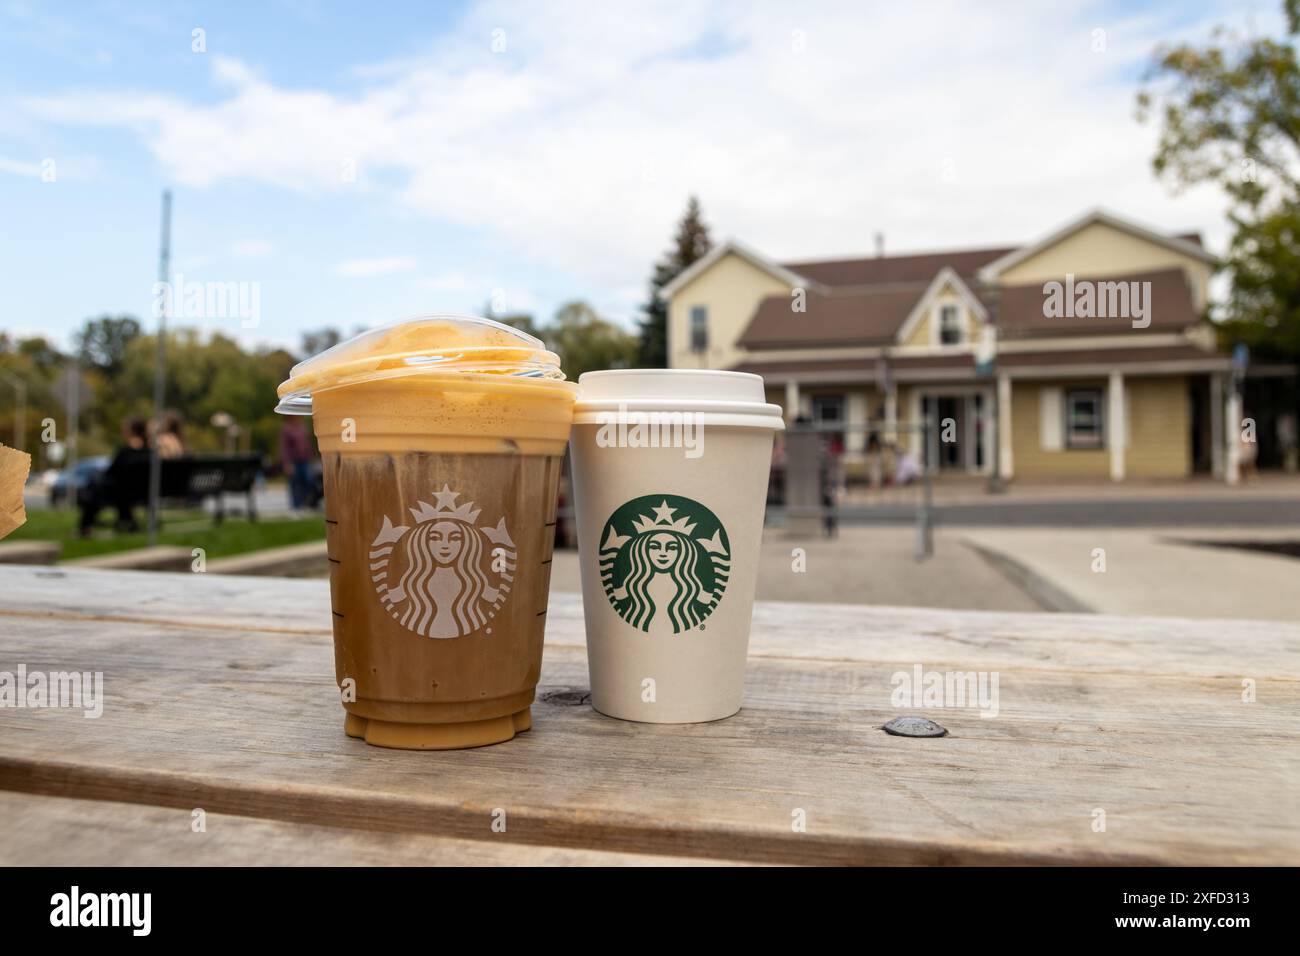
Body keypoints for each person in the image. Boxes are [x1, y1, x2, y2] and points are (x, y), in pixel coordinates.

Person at [79, 418, 150, 536]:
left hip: (120, 492)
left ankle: (85, 527)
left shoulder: (125, 451)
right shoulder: (148, 452)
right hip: (140, 491)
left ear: (131, 431)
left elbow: (112, 472)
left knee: (93, 489)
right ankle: (127, 520)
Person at [280, 417, 315, 510]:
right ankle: (296, 506)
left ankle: (306, 502)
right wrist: (287, 463)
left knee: (308, 481)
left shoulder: (303, 427)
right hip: (293, 461)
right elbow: (285, 448)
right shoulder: (286, 429)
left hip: (305, 460)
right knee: (295, 483)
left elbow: (308, 443)